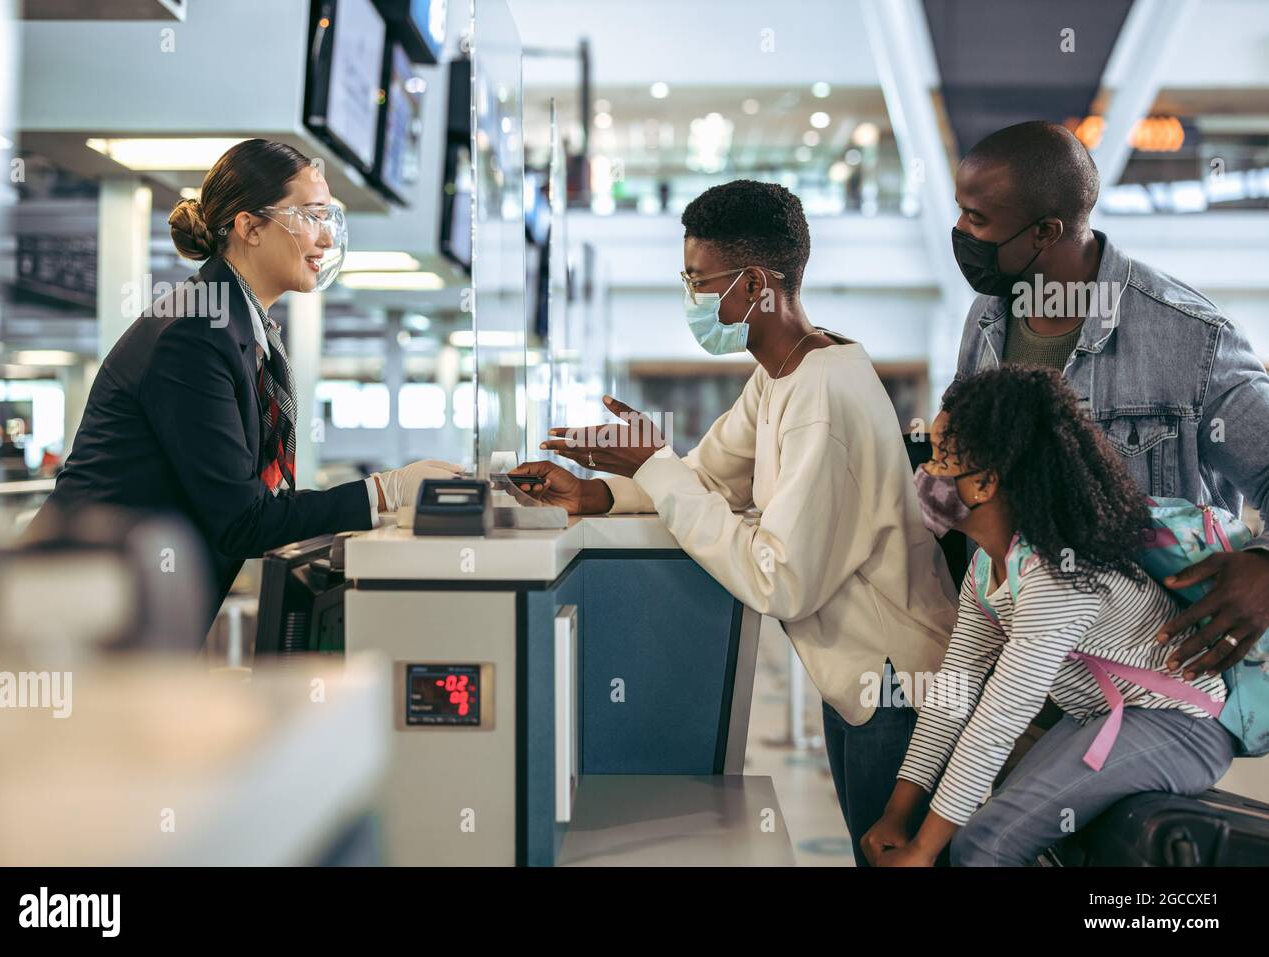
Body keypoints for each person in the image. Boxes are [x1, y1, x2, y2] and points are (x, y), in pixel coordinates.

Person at [510, 179, 959, 865]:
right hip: (861, 683)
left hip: (897, 689)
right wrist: (598, 494)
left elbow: (781, 581)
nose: (690, 299)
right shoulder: (785, 372)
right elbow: (710, 476)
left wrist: (654, 465)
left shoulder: (821, 393)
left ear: (753, 284)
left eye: (698, 281)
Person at [34, 139, 460, 628]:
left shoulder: (237, 328)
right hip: (80, 612)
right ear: (249, 227)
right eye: (310, 217)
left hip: (129, 605)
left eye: (329, 220)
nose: (324, 240)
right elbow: (244, 521)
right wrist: (383, 492)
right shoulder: (193, 337)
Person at [866, 365, 1237, 867]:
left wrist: (924, 850)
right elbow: (954, 691)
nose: (925, 473)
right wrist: (897, 814)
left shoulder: (1059, 576)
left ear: (985, 483)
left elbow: (998, 720)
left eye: (938, 458)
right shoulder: (989, 566)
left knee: (984, 844)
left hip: (1180, 725)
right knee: (988, 827)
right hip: (1106, 716)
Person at [951, 120, 1269, 680]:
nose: (960, 230)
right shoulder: (988, 318)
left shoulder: (1191, 337)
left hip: (1145, 667)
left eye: (976, 219)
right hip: (1017, 658)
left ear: (1046, 231)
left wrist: (1264, 567)